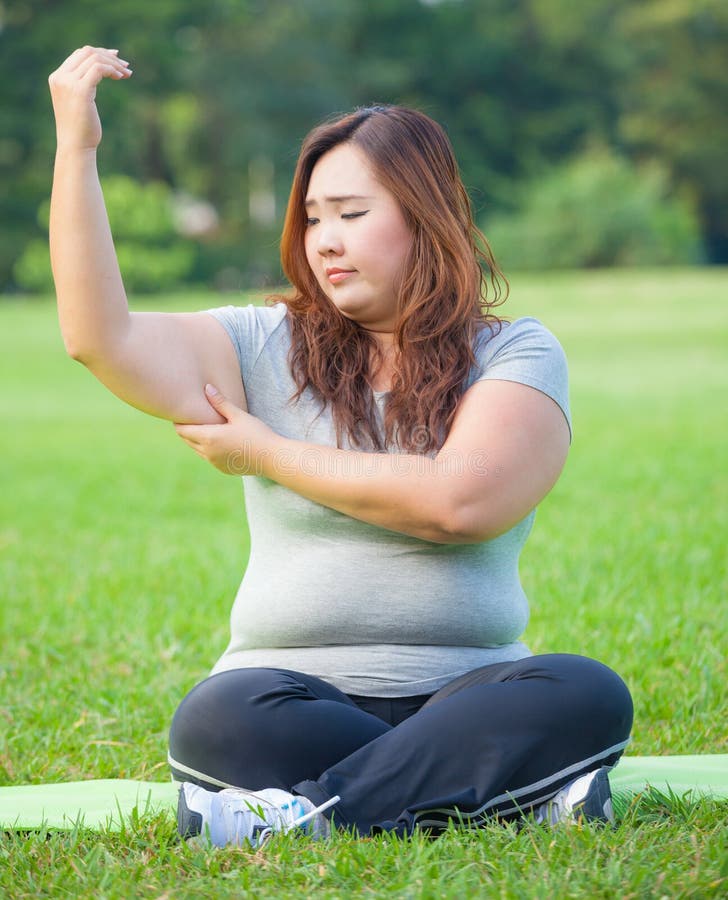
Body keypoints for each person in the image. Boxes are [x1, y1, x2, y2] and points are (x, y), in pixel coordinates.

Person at [48, 46, 633, 848]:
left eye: (352, 215)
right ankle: (505, 791)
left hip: (470, 690)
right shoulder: (260, 343)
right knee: (219, 718)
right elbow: (99, 338)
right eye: (314, 217)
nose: (324, 240)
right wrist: (76, 148)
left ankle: (297, 816)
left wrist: (265, 453)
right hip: (288, 697)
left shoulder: (515, 353)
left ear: (426, 216)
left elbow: (461, 504)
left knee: (582, 693)